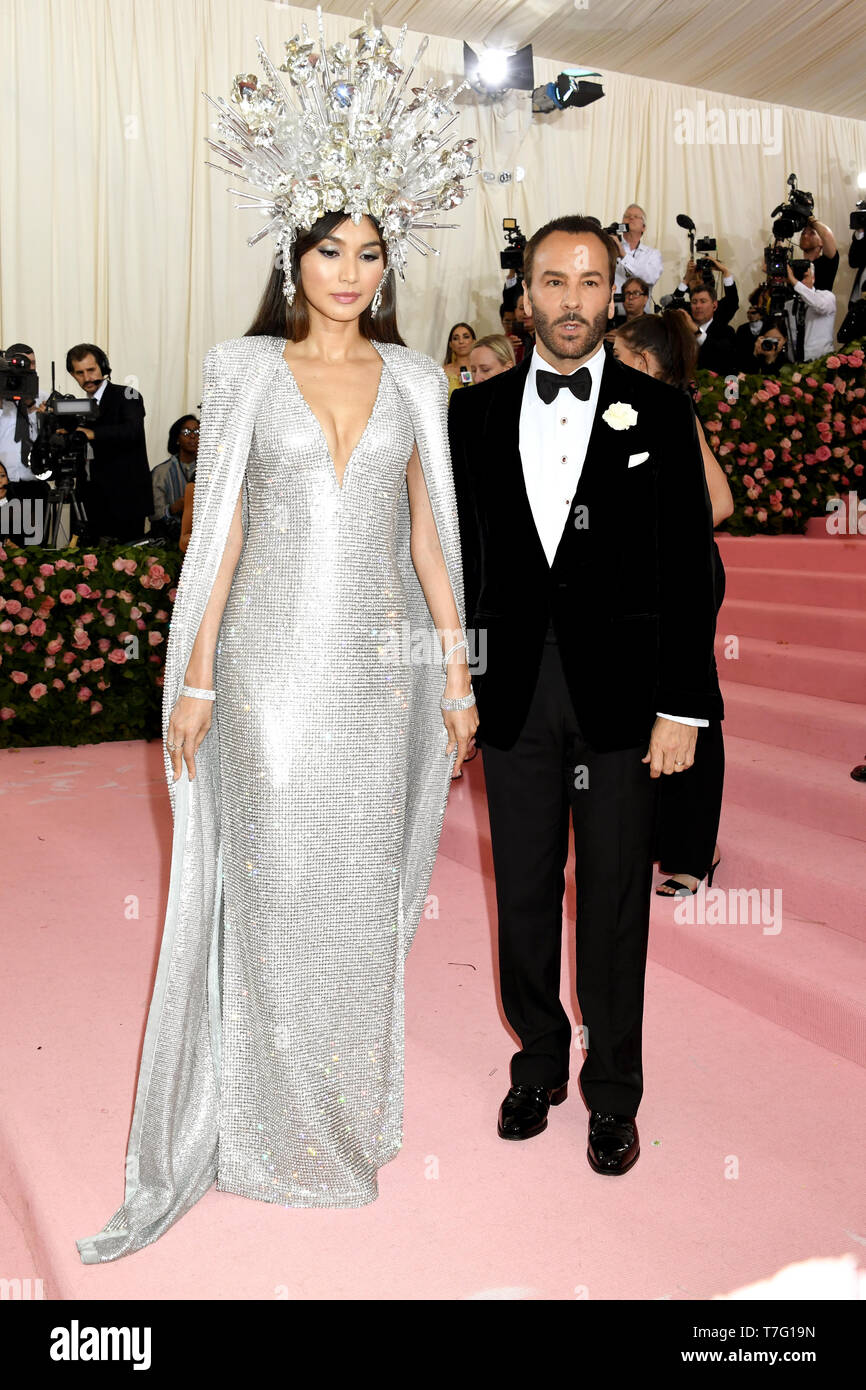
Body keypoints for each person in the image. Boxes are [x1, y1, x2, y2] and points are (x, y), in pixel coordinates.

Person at [76, 12, 477, 1263]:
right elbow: (222, 535)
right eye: (326, 248)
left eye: (367, 251)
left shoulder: (421, 384)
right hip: (259, 679)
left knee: (355, 903)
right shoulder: (242, 369)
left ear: (386, 260)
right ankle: (248, 1127)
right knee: (267, 894)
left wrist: (457, 680)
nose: (347, 272)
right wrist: (191, 676)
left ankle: (334, 1124)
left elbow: (430, 545)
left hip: (377, 685)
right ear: (292, 255)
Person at [449, 215, 720, 1176]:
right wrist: (458, 682)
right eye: (552, 281)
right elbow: (461, 562)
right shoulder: (470, 417)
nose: (571, 299)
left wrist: (684, 706)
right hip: (513, 698)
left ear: (618, 294)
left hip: (624, 701)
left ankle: (614, 1091)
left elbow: (693, 569)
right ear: (522, 296)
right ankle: (536, 1063)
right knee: (522, 892)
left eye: (590, 281)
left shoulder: (658, 413)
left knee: (611, 903)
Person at [612, 309, 730, 897]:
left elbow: (720, 504)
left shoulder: (674, 410)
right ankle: (659, 835)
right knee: (644, 708)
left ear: (642, 359)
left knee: (690, 704)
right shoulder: (614, 412)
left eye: (617, 350)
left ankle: (694, 848)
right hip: (635, 584)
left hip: (684, 578)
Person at [65, 343, 153, 541]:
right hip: (91, 501)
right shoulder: (77, 407)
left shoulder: (127, 395)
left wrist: (91, 433)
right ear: (72, 375)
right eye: (80, 373)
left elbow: (133, 431)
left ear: (103, 367)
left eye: (91, 370)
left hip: (126, 501)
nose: (87, 378)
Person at [149, 414, 199, 543]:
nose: (193, 436)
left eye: (197, 431)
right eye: (186, 431)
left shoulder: (210, 471)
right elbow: (154, 515)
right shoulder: (161, 472)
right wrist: (173, 508)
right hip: (169, 540)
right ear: (177, 438)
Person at [613, 204, 663, 309]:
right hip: (613, 312)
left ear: (644, 228)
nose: (630, 218)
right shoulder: (611, 248)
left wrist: (624, 255)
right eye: (627, 216)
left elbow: (650, 277)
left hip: (641, 316)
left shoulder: (652, 254)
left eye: (636, 217)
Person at [784, 261, 836, 361]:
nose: (801, 282)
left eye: (805, 277)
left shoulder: (827, 296)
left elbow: (818, 305)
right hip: (794, 364)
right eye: (798, 277)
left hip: (821, 363)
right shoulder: (788, 305)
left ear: (813, 278)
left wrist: (794, 281)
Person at [687, 283, 739, 374]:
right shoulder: (683, 330)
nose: (698, 306)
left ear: (714, 305)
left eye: (703, 301)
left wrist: (697, 333)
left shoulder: (726, 331)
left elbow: (724, 358)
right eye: (694, 302)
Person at [798, 215, 839, 291]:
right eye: (803, 233)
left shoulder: (827, 263)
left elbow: (826, 234)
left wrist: (810, 219)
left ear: (822, 242)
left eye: (812, 233)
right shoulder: (796, 266)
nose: (805, 235)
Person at [443, 321, 476, 397]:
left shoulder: (481, 369)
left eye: (466, 337)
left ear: (474, 342)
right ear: (450, 344)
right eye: (456, 338)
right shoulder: (443, 372)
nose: (461, 341)